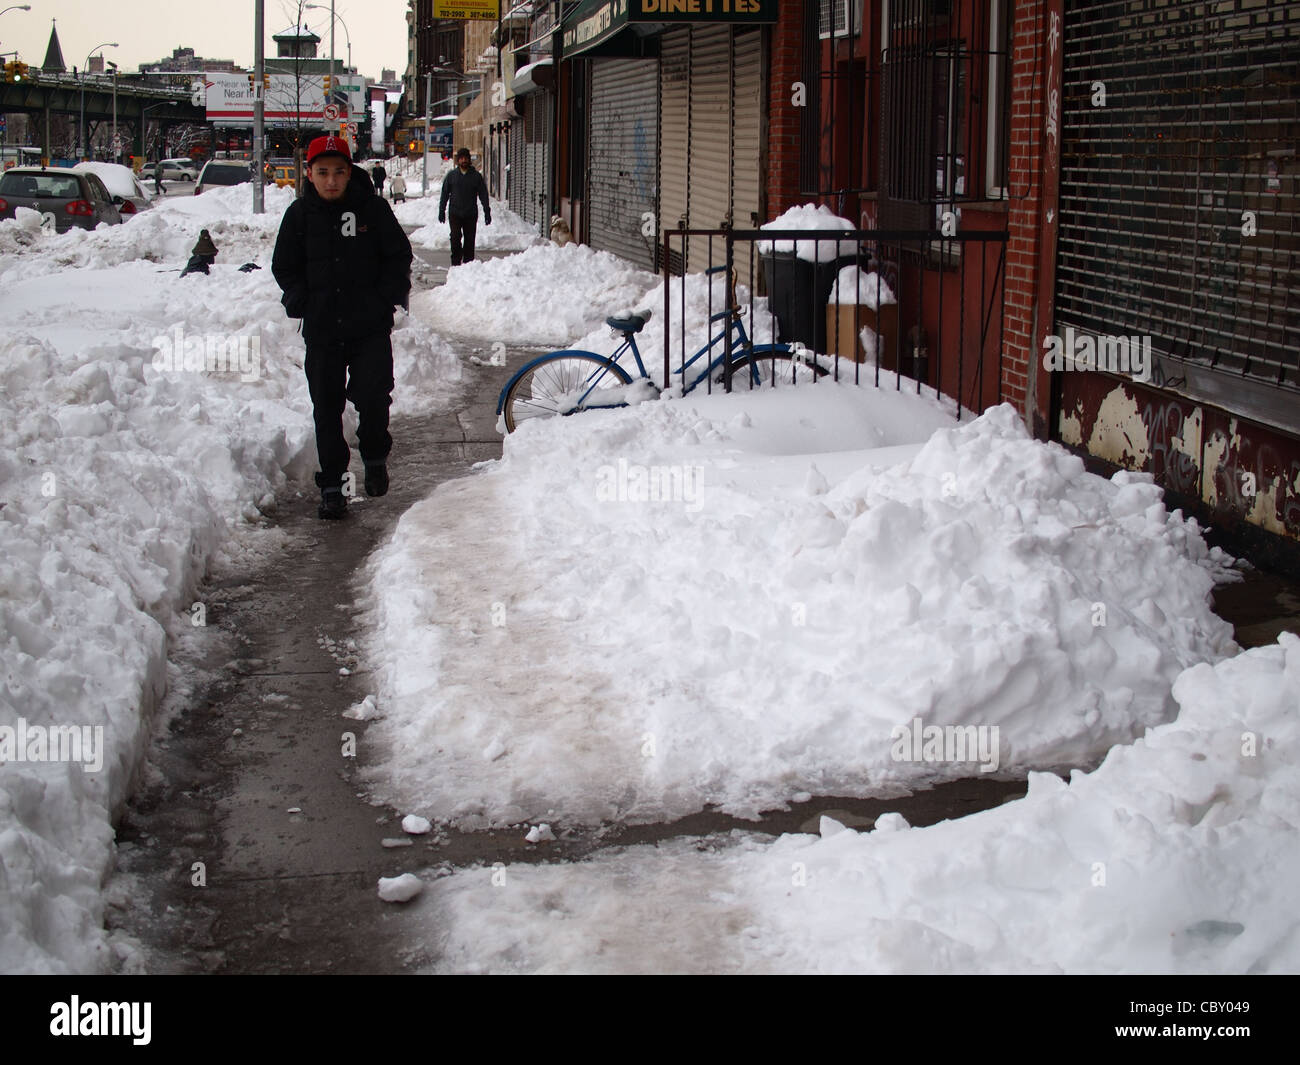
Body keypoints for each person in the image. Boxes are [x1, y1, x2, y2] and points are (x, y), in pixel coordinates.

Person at [271, 134, 413, 521]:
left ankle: (374, 454)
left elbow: (398, 255)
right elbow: (284, 266)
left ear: (350, 173)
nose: (331, 181)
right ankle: (332, 487)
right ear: (309, 174)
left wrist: (384, 298)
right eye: (322, 173)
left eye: (338, 172)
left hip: (368, 327)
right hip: (322, 330)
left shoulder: (373, 210)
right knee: (327, 408)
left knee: (372, 396)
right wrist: (299, 298)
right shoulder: (299, 216)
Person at [438, 147, 490, 266]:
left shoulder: (476, 176)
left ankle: (468, 264)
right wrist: (442, 210)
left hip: (470, 213)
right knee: (455, 238)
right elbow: (445, 193)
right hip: (455, 212)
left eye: (466, 158)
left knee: (469, 240)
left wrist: (487, 211)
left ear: (469, 160)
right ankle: (455, 263)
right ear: (458, 161)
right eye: (461, 158)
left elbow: (483, 194)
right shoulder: (451, 176)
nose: (464, 161)